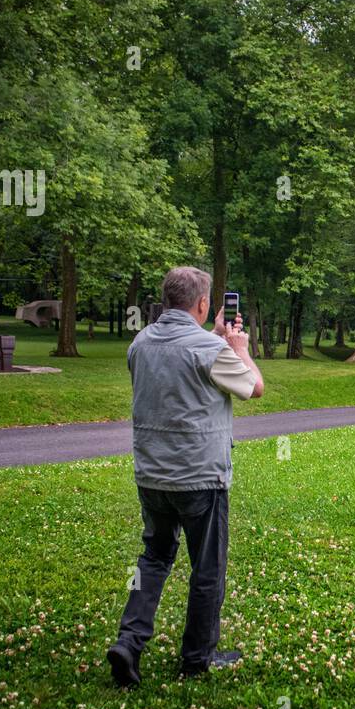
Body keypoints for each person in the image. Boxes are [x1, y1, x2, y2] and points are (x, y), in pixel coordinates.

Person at [107, 266, 264, 687]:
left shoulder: (140, 342)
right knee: (207, 568)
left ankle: (129, 641)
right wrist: (238, 346)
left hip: (152, 476)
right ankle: (197, 657)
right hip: (199, 478)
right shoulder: (211, 350)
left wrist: (214, 337)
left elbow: (182, 362)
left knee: (154, 558)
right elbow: (254, 386)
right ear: (201, 303)